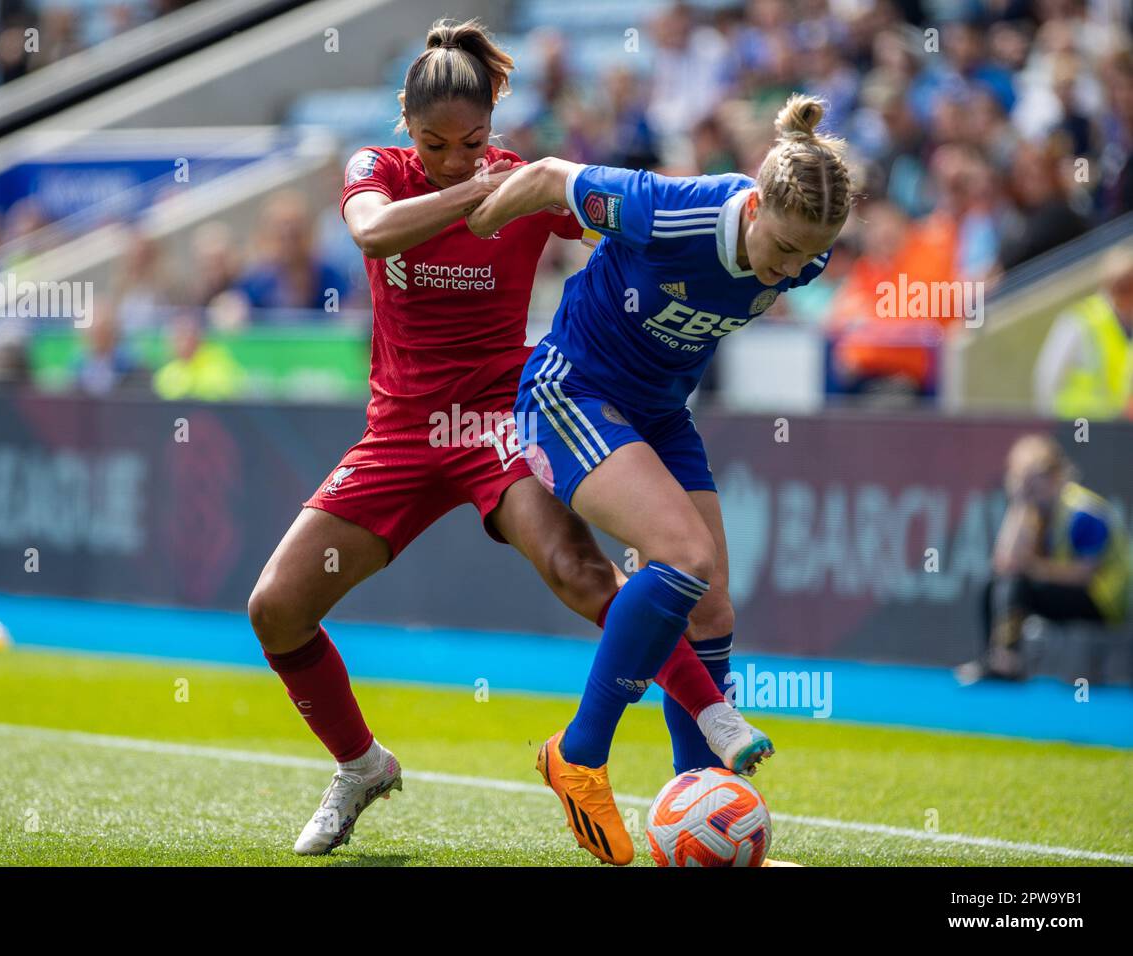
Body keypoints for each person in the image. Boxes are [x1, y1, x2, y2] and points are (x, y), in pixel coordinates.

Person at [246, 19, 767, 861]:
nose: (456, 158)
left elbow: (629, 225)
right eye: (435, 143)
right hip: (402, 433)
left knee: (580, 571)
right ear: (404, 130)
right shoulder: (378, 171)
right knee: (275, 608)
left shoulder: (529, 184)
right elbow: (372, 233)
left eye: (474, 142)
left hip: (502, 419)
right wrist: (487, 190)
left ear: (495, 123)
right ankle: (361, 766)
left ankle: (709, 710)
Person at [467, 92, 853, 864]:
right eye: (777, 246)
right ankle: (579, 752)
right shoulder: (668, 211)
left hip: (659, 416)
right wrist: (474, 227)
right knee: (685, 555)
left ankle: (705, 804)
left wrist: (789, 258)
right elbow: (547, 176)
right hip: (570, 393)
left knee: (710, 607)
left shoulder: (810, 253)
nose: (787, 267)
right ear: (754, 203)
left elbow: (783, 265)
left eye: (802, 255)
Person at [956, 434, 1129, 684]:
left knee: (1019, 584)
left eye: (1035, 482)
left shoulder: (1083, 514)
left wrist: (1035, 569)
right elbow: (1004, 562)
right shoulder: (1035, 509)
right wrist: (1019, 503)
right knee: (993, 584)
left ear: (1056, 476)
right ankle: (995, 656)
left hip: (1104, 601)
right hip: (1065, 590)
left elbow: (1085, 575)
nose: (1032, 490)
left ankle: (1008, 660)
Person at [1033, 246, 1133, 421]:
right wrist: (1050, 427)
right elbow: (1047, 378)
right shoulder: (1078, 321)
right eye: (1124, 286)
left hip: (1110, 430)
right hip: (1074, 429)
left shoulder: (1127, 325)